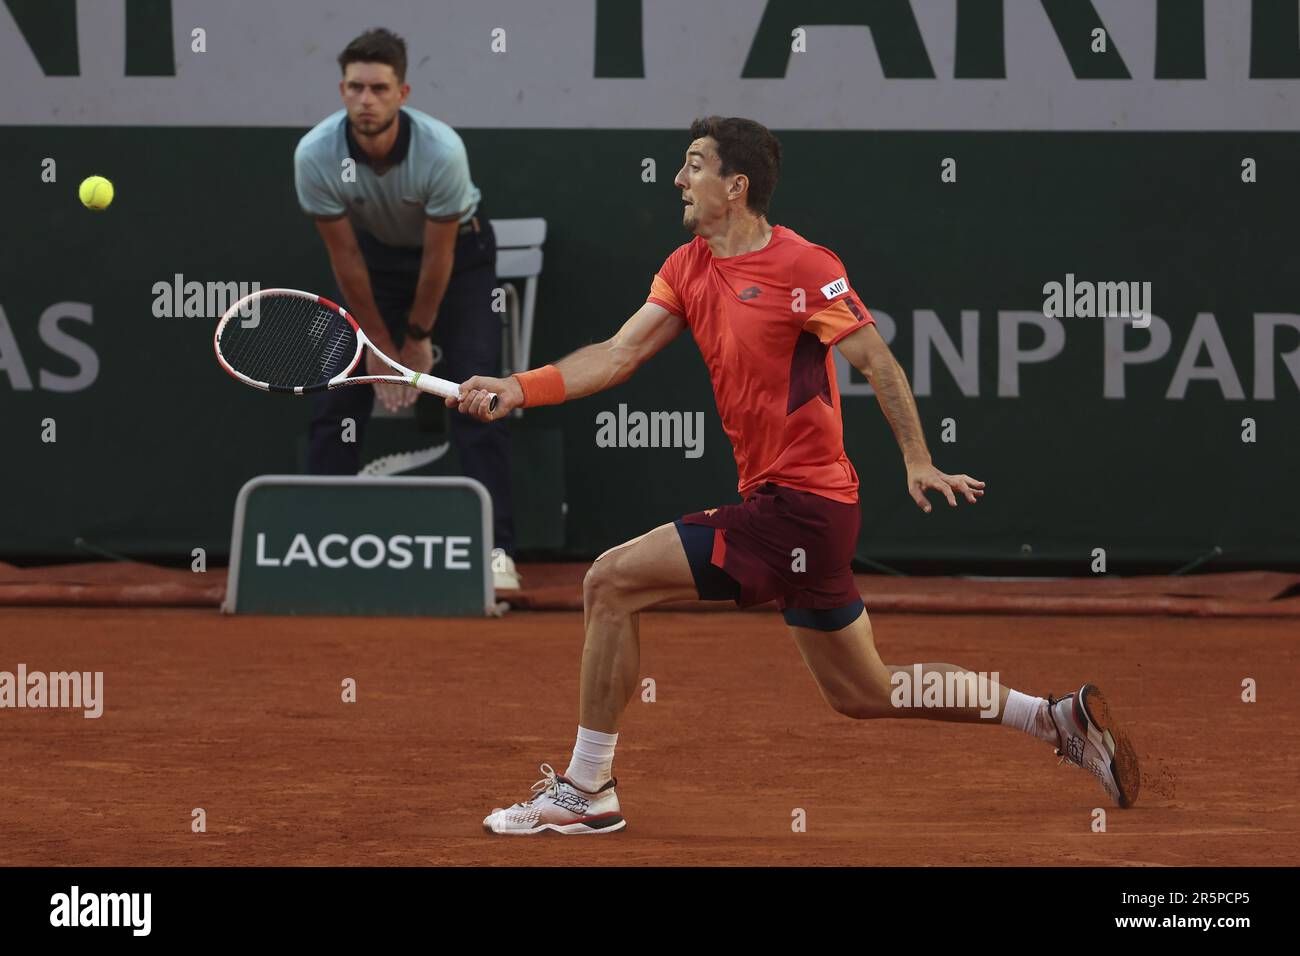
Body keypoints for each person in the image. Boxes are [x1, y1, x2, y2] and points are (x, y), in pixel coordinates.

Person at [449, 115, 1140, 834]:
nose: (678, 181)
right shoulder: (687, 266)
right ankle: (1053, 718)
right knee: (864, 689)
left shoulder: (803, 266)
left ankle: (587, 787)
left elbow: (877, 362)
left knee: (609, 581)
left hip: (799, 507)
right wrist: (521, 386)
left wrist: (916, 457)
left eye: (693, 166)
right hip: (802, 511)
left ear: (735, 186)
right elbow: (618, 354)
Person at [294, 27, 520, 589]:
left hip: (459, 261)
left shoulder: (440, 151)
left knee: (479, 395)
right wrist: (376, 350)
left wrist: (416, 339)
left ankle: (497, 553)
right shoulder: (316, 155)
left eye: (378, 88)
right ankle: (321, 548)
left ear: (403, 92)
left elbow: (438, 257)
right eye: (354, 88)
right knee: (333, 394)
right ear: (341, 90)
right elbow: (346, 259)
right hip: (374, 262)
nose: (365, 100)